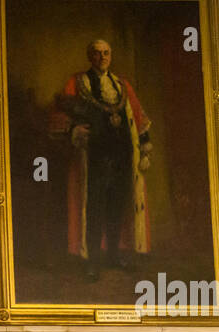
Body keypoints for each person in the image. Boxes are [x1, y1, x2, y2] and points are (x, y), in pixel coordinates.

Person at [54, 38, 153, 281]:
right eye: (97, 54)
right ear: (90, 56)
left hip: (121, 154)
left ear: (111, 56)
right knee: (94, 207)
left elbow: (138, 116)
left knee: (117, 205)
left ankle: (113, 255)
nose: (102, 57)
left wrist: (145, 147)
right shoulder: (77, 82)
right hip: (93, 155)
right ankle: (92, 261)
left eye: (106, 53)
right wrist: (72, 131)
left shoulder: (121, 84)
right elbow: (58, 115)